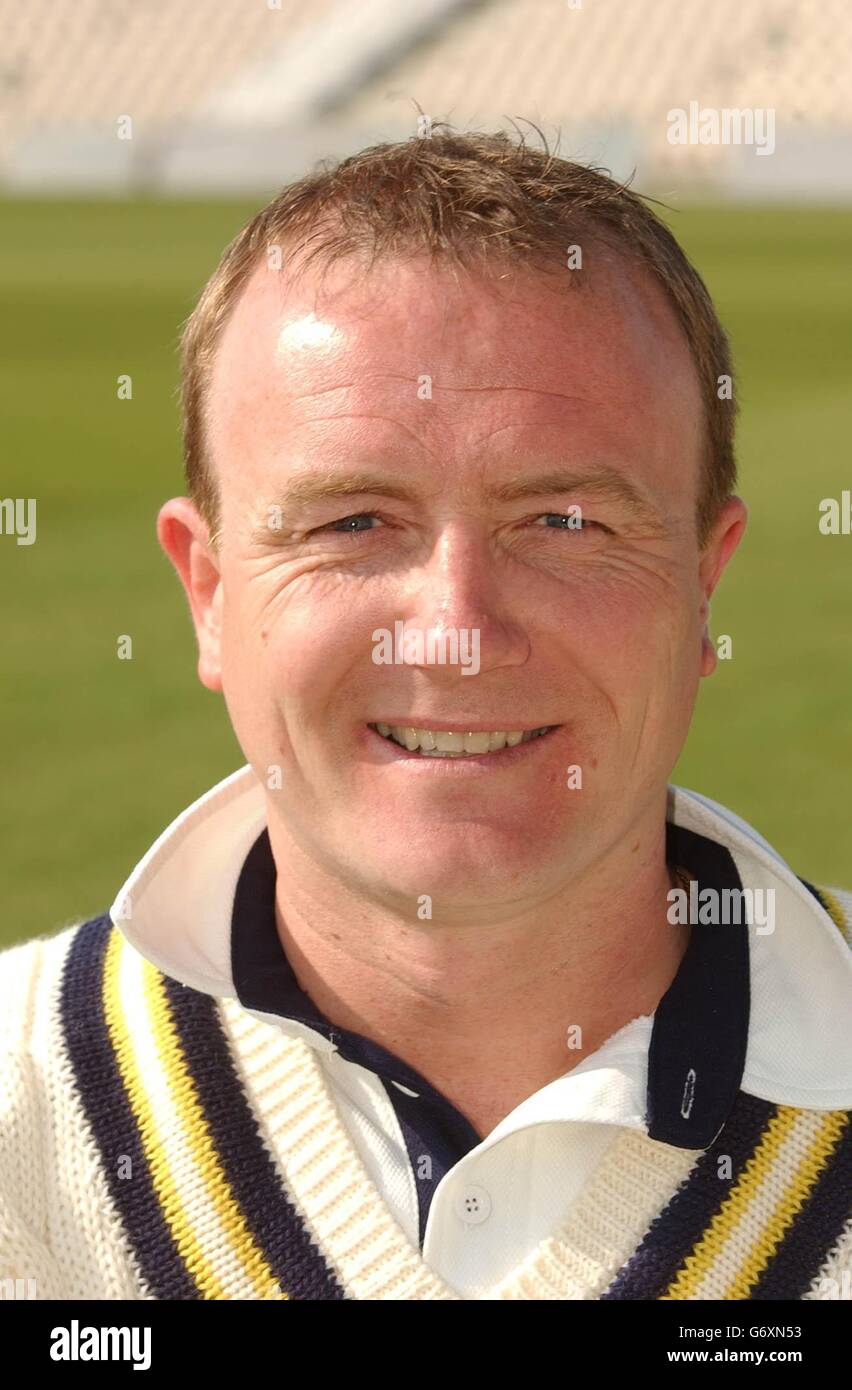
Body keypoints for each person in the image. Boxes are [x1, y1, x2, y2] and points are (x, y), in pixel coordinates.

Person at [1, 128, 850, 1302]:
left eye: (564, 523)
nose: (454, 632)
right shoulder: (20, 1111)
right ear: (207, 592)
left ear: (707, 584)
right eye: (352, 523)